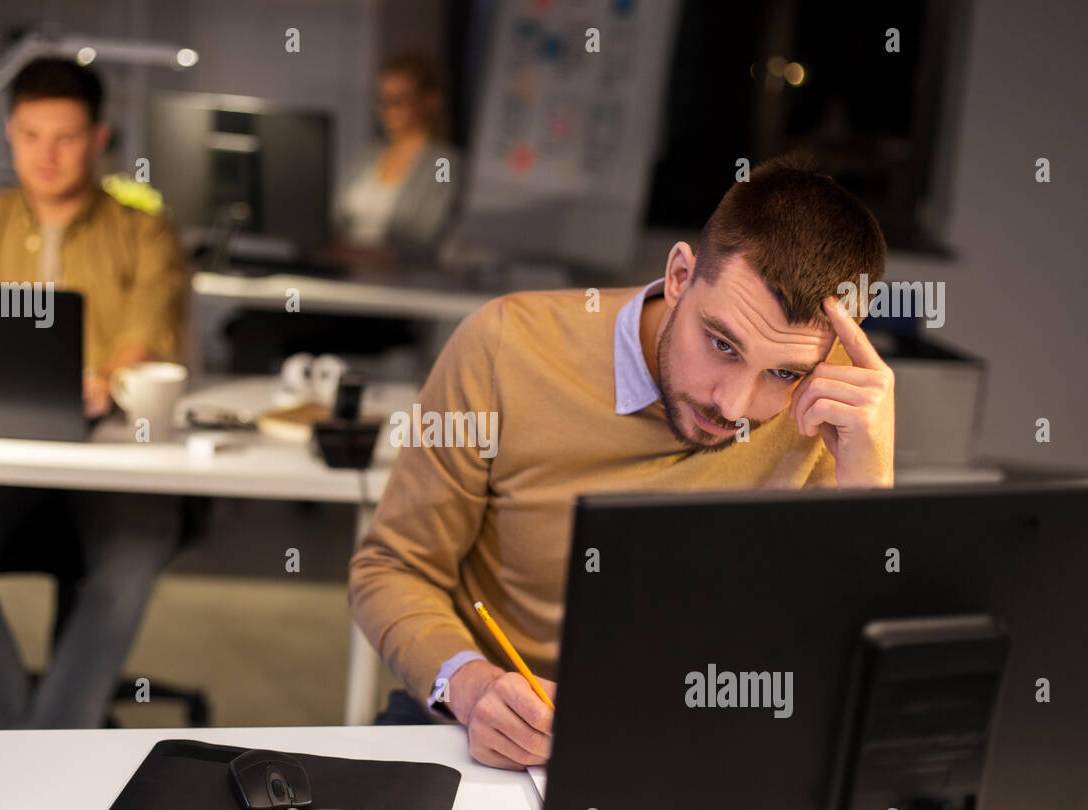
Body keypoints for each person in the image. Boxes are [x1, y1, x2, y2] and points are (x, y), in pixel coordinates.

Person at [350, 157, 895, 765]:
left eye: (784, 373)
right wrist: (470, 686)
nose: (734, 405)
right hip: (487, 721)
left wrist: (870, 492)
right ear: (680, 275)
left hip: (692, 741)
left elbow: (842, 669)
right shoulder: (505, 347)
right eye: (722, 344)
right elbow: (391, 568)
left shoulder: (831, 409)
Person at [0, 58, 189, 729]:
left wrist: (104, 378)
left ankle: (53, 734)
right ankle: (13, 734)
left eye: (65, 137)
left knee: (137, 546)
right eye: (31, 136)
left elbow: (147, 329)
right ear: (10, 133)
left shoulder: (144, 229)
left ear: (98, 138)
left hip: (108, 451)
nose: (46, 155)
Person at [331, 53, 463, 267]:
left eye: (398, 101)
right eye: (382, 101)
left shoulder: (444, 163)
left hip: (402, 276)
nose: (388, 111)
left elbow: (428, 239)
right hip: (345, 268)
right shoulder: (368, 155)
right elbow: (337, 218)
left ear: (429, 101)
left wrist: (366, 255)